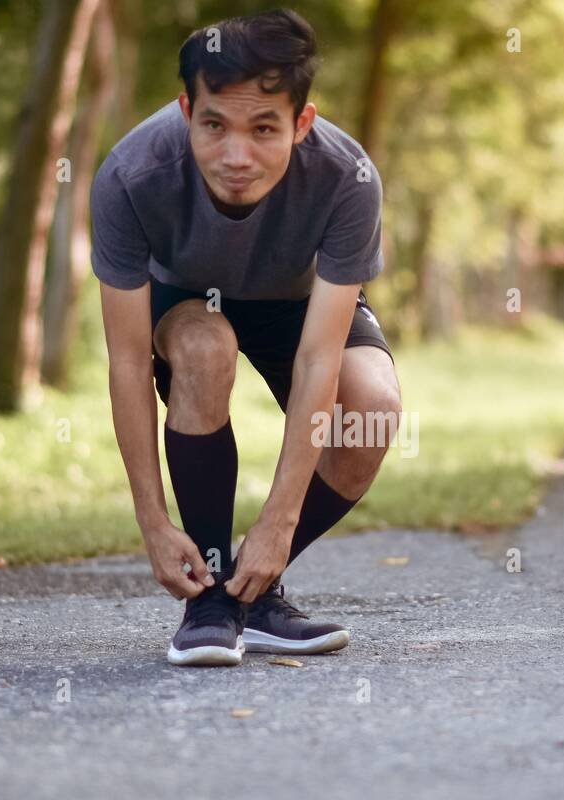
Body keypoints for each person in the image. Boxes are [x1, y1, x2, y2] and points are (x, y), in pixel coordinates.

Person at [90, 8, 402, 666]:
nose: (236, 156)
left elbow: (319, 356)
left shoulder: (347, 178)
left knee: (372, 408)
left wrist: (278, 522)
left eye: (264, 129)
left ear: (302, 122)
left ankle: (248, 597)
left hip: (297, 299)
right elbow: (124, 360)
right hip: (185, 301)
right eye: (214, 125)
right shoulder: (129, 176)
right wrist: (152, 521)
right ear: (186, 111)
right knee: (206, 348)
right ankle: (206, 601)